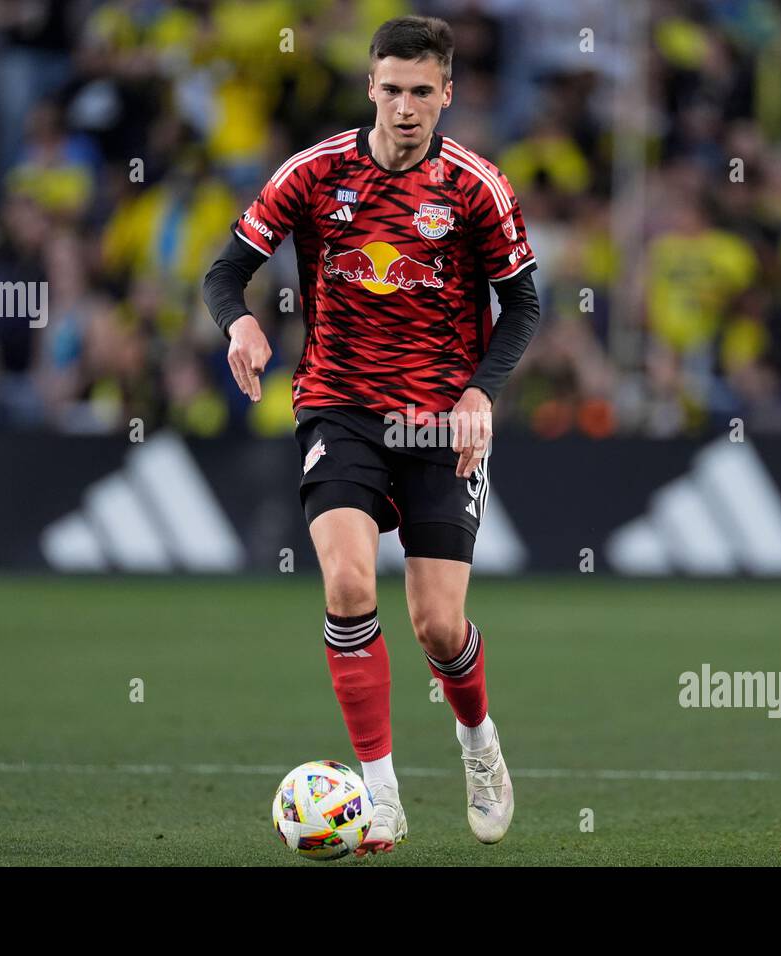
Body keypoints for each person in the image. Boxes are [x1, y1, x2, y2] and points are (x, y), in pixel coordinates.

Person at [202, 15, 540, 854]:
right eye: (391, 88)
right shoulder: (316, 174)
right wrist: (238, 326)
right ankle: (380, 795)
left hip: (437, 421)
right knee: (349, 585)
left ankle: (478, 744)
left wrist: (478, 393)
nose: (405, 107)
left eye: (423, 91)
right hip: (339, 405)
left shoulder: (475, 187)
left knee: (436, 627)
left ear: (447, 94)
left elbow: (525, 303)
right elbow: (225, 270)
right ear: (370, 86)